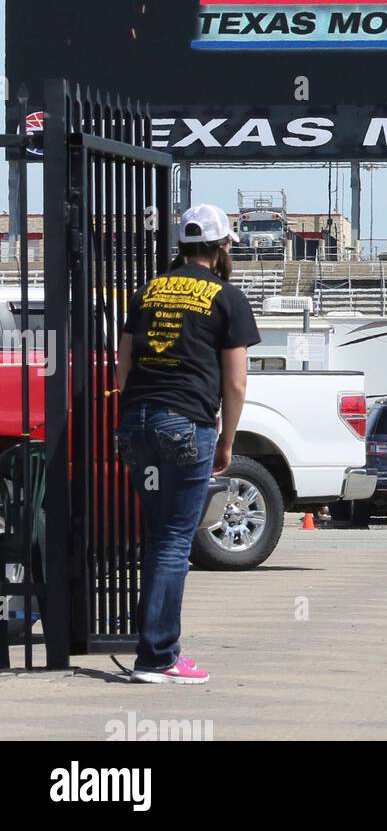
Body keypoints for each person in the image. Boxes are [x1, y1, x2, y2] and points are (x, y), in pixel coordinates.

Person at [116, 204, 260, 684]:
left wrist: (132, 415)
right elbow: (235, 384)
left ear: (182, 246)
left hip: (137, 421)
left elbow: (124, 365)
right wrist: (227, 440)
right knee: (176, 540)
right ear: (221, 249)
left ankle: (153, 650)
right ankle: (158, 657)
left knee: (159, 537)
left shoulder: (148, 291)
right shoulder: (227, 297)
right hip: (185, 424)